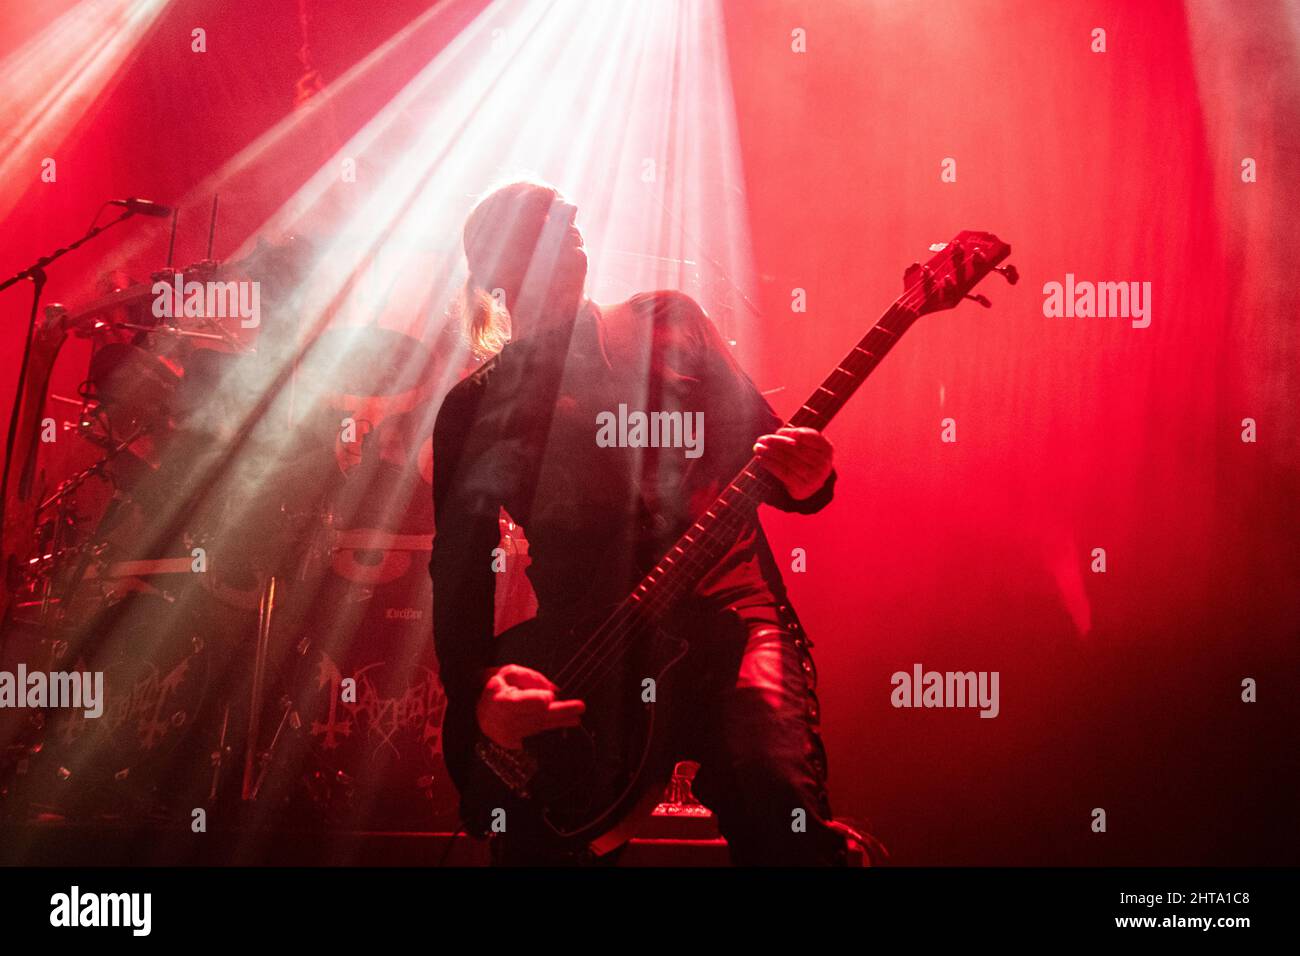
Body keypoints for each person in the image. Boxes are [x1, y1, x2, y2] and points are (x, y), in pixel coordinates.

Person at [429, 181, 846, 865]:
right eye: (541, 221)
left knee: (778, 805)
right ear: (496, 273)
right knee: (543, 844)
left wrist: (812, 477)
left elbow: (777, 460)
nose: (568, 222)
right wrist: (478, 688)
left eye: (567, 216)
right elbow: (459, 567)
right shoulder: (473, 407)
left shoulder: (667, 323)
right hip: (594, 646)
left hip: (727, 617)